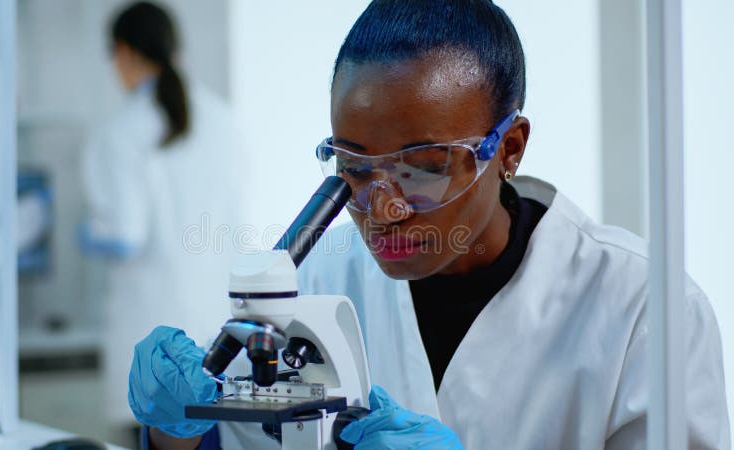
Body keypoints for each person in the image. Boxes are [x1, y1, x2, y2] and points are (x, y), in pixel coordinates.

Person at [126, 1, 731, 449]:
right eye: (355, 168)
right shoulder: (317, 281)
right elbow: (232, 443)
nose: (382, 207)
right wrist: (172, 428)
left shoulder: (644, 310)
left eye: (423, 167)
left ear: (511, 147)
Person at [80, 1, 238, 441]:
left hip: (153, 341)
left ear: (124, 52)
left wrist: (85, 235)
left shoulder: (122, 131)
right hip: (217, 334)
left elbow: (124, 236)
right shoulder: (224, 119)